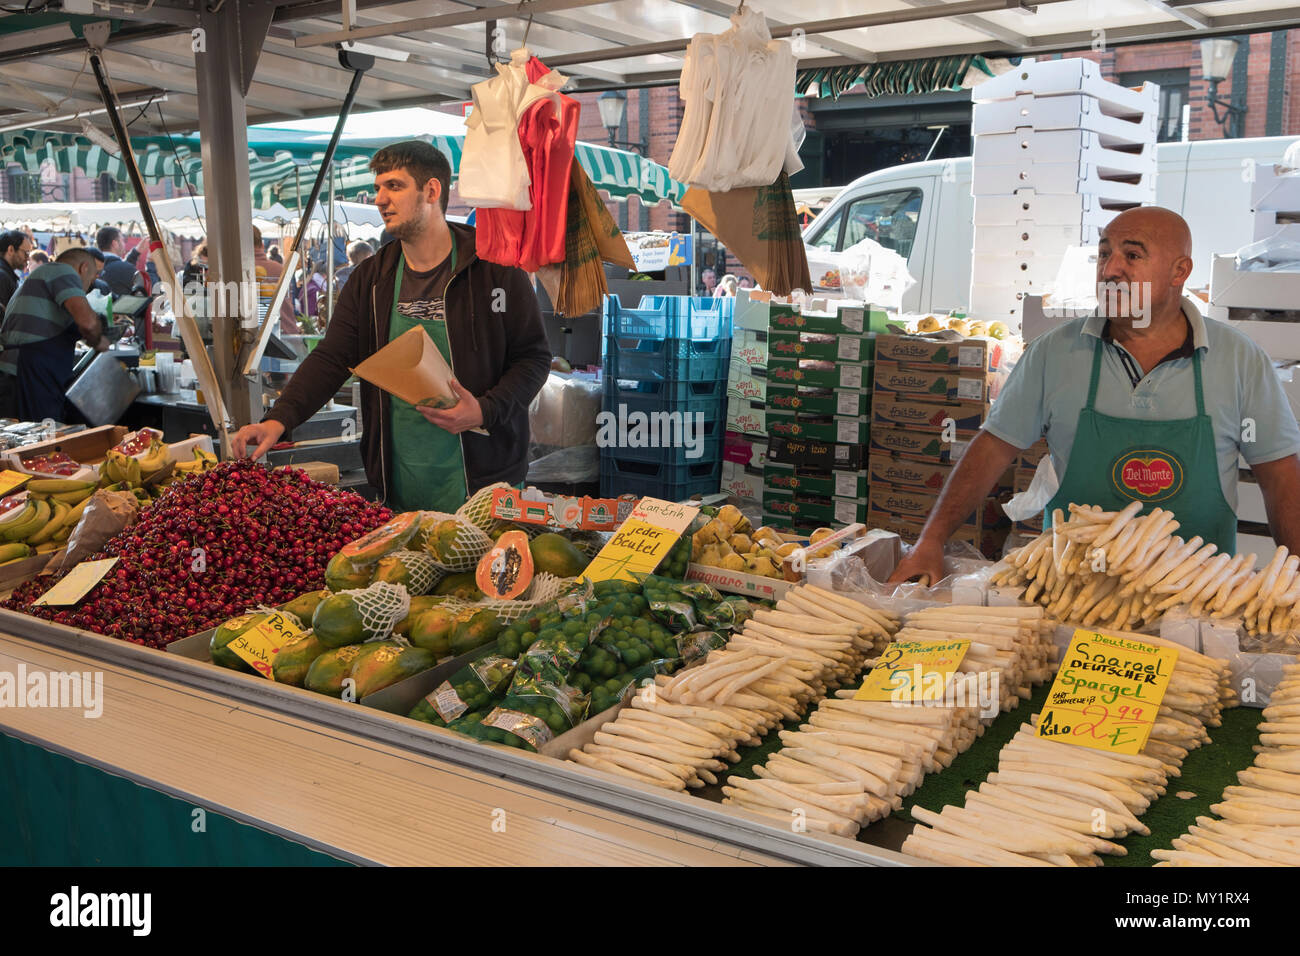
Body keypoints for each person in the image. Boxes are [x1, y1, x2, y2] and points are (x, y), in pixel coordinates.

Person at [889, 206, 1300, 585]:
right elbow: (993, 448)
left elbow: (1281, 478)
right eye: (1104, 255)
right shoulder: (1055, 352)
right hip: (1072, 587)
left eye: (1132, 255)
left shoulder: (1239, 359)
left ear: (1180, 271)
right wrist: (932, 539)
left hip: (1197, 597)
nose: (1110, 269)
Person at [231, 141, 552, 512]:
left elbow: (533, 358)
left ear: (432, 191)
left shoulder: (494, 268)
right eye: (378, 187)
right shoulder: (371, 279)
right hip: (399, 483)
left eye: (394, 186)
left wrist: (485, 409)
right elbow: (334, 358)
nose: (380, 199)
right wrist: (279, 420)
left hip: (487, 479)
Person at [0, 248, 108, 422]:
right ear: (84, 268)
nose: (94, 281)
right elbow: (88, 323)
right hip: (29, 375)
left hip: (20, 375)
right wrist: (99, 341)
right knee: (40, 442)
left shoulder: (43, 278)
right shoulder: (62, 271)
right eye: (95, 275)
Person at [94, 226, 138, 297]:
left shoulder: (91, 267)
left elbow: (117, 267)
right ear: (115, 243)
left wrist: (135, 253)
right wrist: (150, 262)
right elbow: (148, 292)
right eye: (122, 240)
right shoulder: (125, 269)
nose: (124, 244)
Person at [0, 230, 32, 312]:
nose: (28, 258)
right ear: (11, 250)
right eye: (26, 253)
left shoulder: (6, 274)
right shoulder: (2, 276)